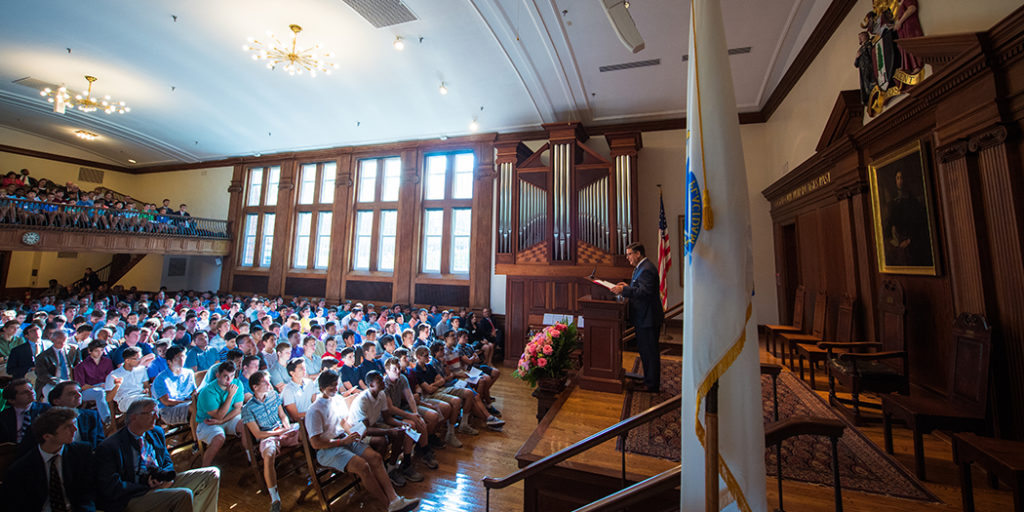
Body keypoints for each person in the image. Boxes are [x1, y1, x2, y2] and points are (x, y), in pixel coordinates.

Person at [305, 371, 419, 512]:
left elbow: (343, 422)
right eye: (331, 387)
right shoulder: (314, 410)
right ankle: (388, 506)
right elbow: (316, 443)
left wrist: (355, 433)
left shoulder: (338, 399)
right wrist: (342, 442)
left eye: (336, 385)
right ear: (322, 388)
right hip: (328, 449)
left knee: (376, 458)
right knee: (363, 466)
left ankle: (394, 498)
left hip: (344, 439)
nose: (335, 389)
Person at [95, 398, 220, 512]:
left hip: (160, 483)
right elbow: (112, 487)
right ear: (134, 417)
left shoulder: (156, 432)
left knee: (211, 474)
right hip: (134, 496)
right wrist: (146, 486)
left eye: (156, 412)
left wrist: (167, 478)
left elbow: (167, 462)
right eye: (151, 413)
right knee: (183, 495)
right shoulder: (111, 446)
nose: (157, 416)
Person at [0, 407, 96, 511]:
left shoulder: (81, 453)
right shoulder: (22, 468)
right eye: (67, 427)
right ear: (47, 436)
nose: (75, 429)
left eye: (74, 424)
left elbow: (87, 492)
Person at [350, 370, 424, 488]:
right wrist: (388, 431)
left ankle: (391, 467)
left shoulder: (381, 394)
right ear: (371, 385)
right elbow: (366, 429)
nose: (383, 382)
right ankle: (379, 470)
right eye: (379, 381)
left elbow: (387, 418)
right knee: (382, 440)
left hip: (373, 425)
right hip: (358, 432)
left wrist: (401, 424)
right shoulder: (363, 400)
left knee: (400, 432)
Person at [241, 370, 299, 512]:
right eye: (265, 382)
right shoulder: (247, 408)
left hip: (282, 430)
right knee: (268, 454)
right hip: (268, 436)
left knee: (305, 431)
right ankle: (275, 498)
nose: (269, 384)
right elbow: (257, 433)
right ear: (255, 387)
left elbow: (282, 415)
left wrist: (286, 427)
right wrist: (277, 433)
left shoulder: (273, 395)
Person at [611, 243, 664, 393]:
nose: (627, 258)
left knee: (649, 352)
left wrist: (624, 290)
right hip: (644, 317)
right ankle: (648, 379)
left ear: (638, 253)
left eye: (629, 254)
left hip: (648, 318)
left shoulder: (646, 269)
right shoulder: (641, 267)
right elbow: (639, 287)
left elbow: (644, 293)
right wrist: (626, 286)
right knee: (645, 351)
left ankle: (651, 385)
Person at [195, 361, 244, 467]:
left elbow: (238, 408)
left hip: (228, 418)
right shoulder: (207, 392)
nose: (229, 380)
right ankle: (204, 469)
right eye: (225, 376)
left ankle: (250, 457)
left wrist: (222, 421)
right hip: (208, 422)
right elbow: (218, 415)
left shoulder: (237, 384)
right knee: (219, 438)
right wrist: (230, 396)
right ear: (217, 375)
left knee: (245, 425)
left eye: (232, 376)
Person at [48, 381, 105, 449]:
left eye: (80, 392)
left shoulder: (92, 415)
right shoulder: (49, 420)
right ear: (56, 401)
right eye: (72, 393)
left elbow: (100, 442)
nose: (79, 395)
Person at [150, 346, 195, 426]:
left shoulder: (189, 373)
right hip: (168, 410)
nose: (181, 360)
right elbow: (166, 402)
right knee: (195, 407)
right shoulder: (161, 378)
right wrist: (188, 402)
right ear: (169, 361)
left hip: (187, 403)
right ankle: (197, 433)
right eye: (178, 358)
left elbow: (194, 392)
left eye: (183, 356)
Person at [73, 339, 115, 423]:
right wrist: (98, 386)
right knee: (100, 392)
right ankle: (107, 419)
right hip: (87, 391)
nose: (99, 353)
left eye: (101, 350)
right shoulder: (81, 366)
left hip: (106, 388)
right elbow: (81, 386)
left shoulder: (107, 362)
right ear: (89, 351)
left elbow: (112, 377)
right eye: (96, 351)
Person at [104, 347, 156, 414]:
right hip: (125, 400)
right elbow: (108, 399)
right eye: (137, 359)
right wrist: (117, 386)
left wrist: (147, 390)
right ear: (127, 360)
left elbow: (146, 385)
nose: (140, 361)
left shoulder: (142, 369)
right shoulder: (114, 374)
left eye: (140, 358)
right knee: (142, 404)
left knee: (155, 403)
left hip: (141, 396)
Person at [0, 378, 50, 444]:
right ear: (12, 400)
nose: (31, 392)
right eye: (24, 392)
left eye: (31, 389)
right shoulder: (4, 416)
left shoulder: (46, 410)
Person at [35, 329, 82, 399]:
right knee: (52, 393)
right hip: (52, 382)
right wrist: (58, 381)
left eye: (64, 342)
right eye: (59, 342)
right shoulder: (43, 356)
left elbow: (79, 367)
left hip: (70, 380)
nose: (62, 344)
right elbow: (42, 375)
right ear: (53, 340)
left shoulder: (73, 350)